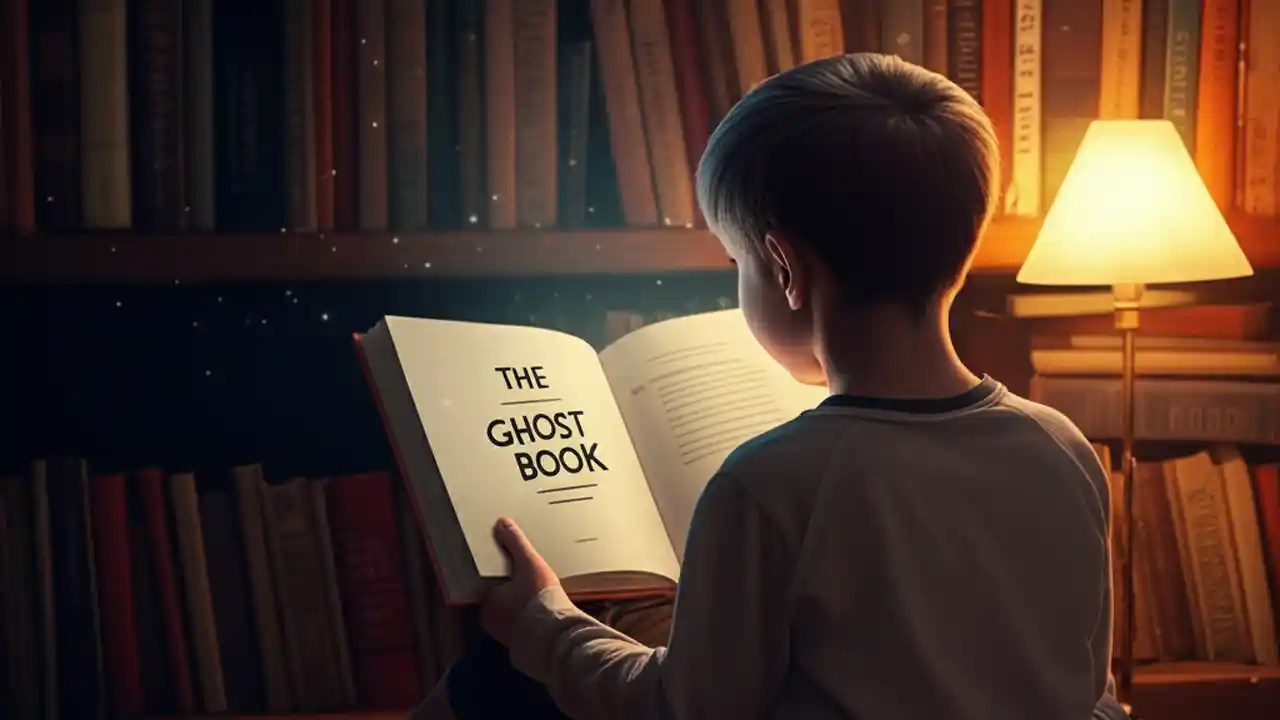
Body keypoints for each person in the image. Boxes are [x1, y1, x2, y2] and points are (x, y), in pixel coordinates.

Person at [414, 53, 1128, 720]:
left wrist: (543, 622)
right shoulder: (1060, 447)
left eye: (738, 260)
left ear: (784, 269)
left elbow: (683, 708)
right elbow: (1091, 696)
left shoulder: (770, 484)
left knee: (494, 682)